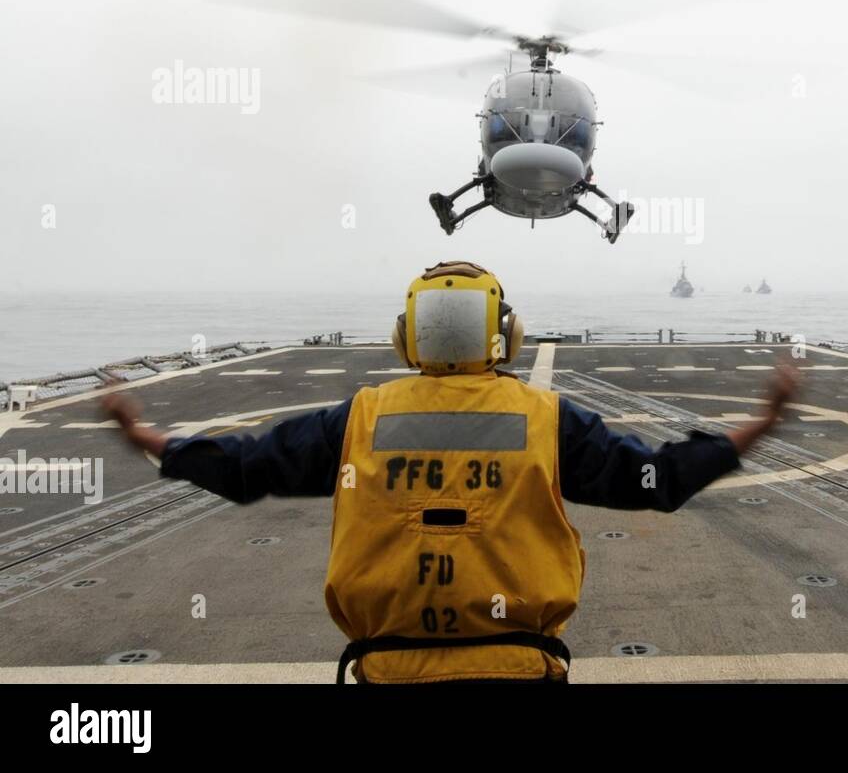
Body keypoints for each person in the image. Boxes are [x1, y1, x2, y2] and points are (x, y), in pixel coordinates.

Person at [104, 261, 800, 684]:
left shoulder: (360, 419)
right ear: (508, 333)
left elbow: (244, 468)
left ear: (406, 337)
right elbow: (659, 480)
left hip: (387, 667)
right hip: (520, 667)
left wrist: (146, 435)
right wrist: (758, 425)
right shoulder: (544, 419)